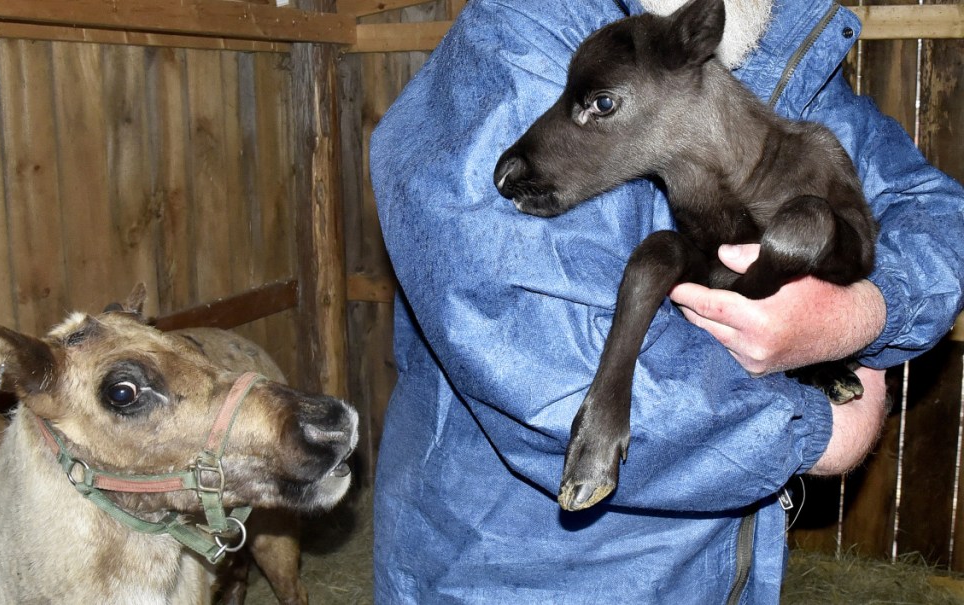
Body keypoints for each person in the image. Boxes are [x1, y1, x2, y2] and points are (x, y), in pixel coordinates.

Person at [369, 0, 964, 602]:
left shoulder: (791, 44)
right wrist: (817, 429)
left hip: (722, 571)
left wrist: (861, 315)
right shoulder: (527, 27)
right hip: (515, 572)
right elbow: (525, 349)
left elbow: (936, 212)